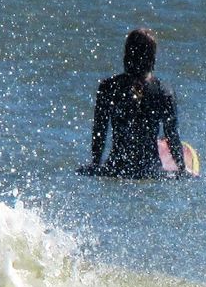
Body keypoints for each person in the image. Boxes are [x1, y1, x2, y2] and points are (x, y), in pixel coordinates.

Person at [78, 28, 187, 178]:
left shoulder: (108, 88)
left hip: (116, 168)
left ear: (127, 55)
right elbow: (172, 135)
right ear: (152, 58)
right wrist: (182, 169)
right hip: (149, 171)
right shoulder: (164, 91)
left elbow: (99, 133)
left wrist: (95, 165)